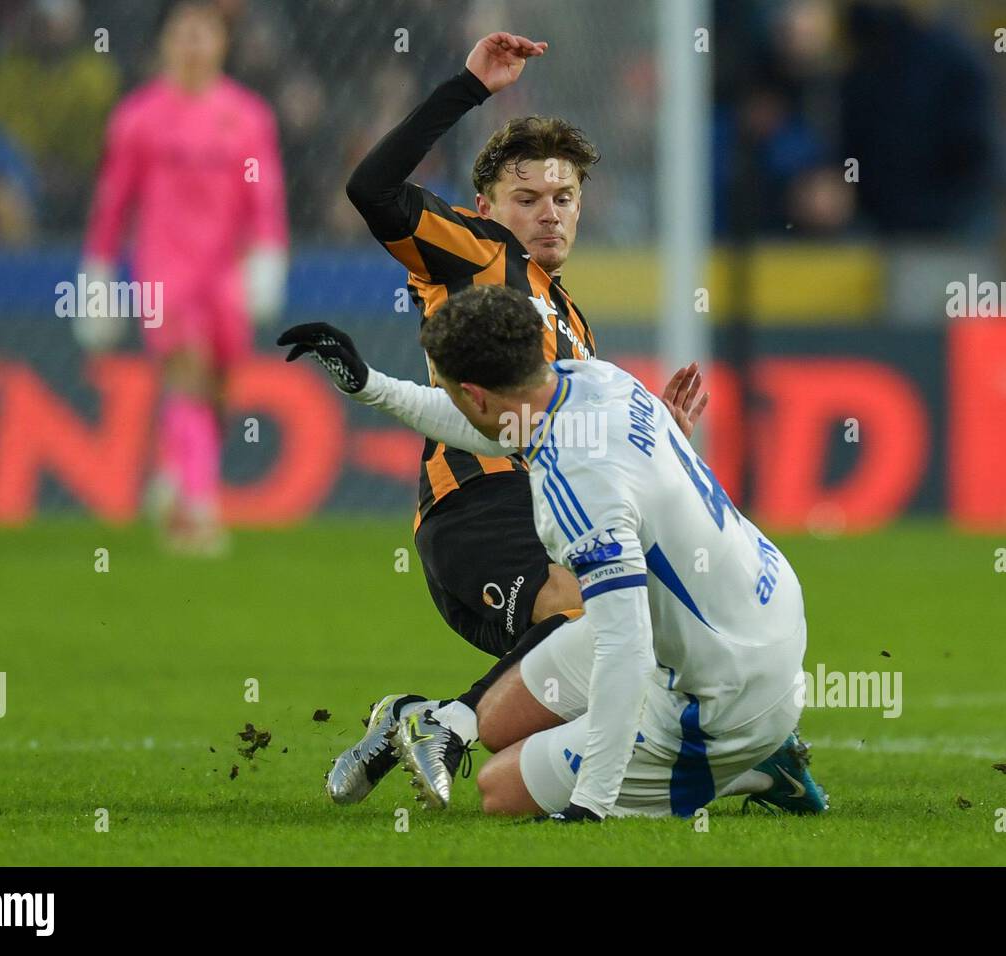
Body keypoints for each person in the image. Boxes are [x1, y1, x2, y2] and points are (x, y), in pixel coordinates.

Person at [327, 31, 708, 806]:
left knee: (599, 660)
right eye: (527, 198)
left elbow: (575, 436)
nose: (549, 215)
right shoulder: (474, 253)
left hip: (542, 514)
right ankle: (448, 724)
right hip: (477, 497)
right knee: (586, 609)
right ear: (485, 209)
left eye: (564, 199)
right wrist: (469, 86)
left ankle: (414, 715)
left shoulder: (572, 318)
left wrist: (661, 435)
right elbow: (372, 188)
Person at [278, 285, 828, 819]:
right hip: (762, 607)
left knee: (499, 788)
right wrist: (369, 386)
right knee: (492, 723)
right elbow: (490, 427)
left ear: (474, 394)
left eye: (450, 392)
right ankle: (425, 719)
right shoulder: (589, 380)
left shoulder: (579, 481)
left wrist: (590, 804)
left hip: (725, 696)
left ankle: (755, 763)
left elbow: (627, 648)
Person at [78, 0, 288, 554]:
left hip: (224, 273)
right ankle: (199, 506)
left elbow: (262, 196)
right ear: (167, 42)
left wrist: (268, 254)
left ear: (221, 44)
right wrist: (97, 270)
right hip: (163, 274)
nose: (194, 44)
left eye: (204, 34)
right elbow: (113, 202)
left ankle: (175, 472)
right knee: (187, 370)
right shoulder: (138, 117)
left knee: (218, 385)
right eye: (184, 34)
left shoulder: (248, 116)